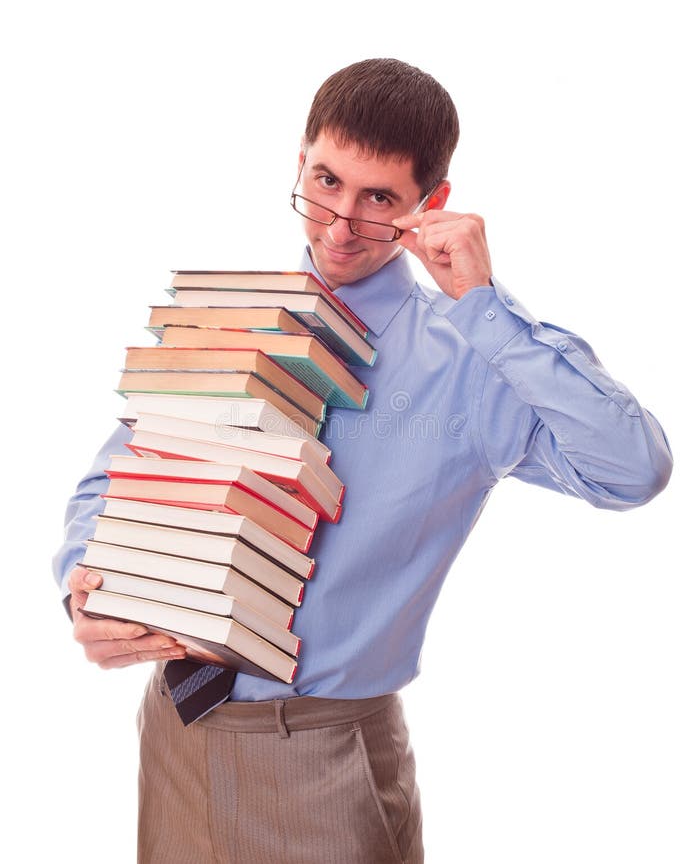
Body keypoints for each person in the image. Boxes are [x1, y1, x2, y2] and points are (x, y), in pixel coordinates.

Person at [54, 58, 672, 864]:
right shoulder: (235, 315)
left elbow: (633, 468)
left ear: (431, 207)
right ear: (300, 159)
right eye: (325, 182)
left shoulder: (470, 358)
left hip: (322, 755)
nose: (340, 225)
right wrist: (82, 590)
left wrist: (485, 307)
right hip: (174, 726)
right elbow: (117, 474)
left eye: (378, 200)